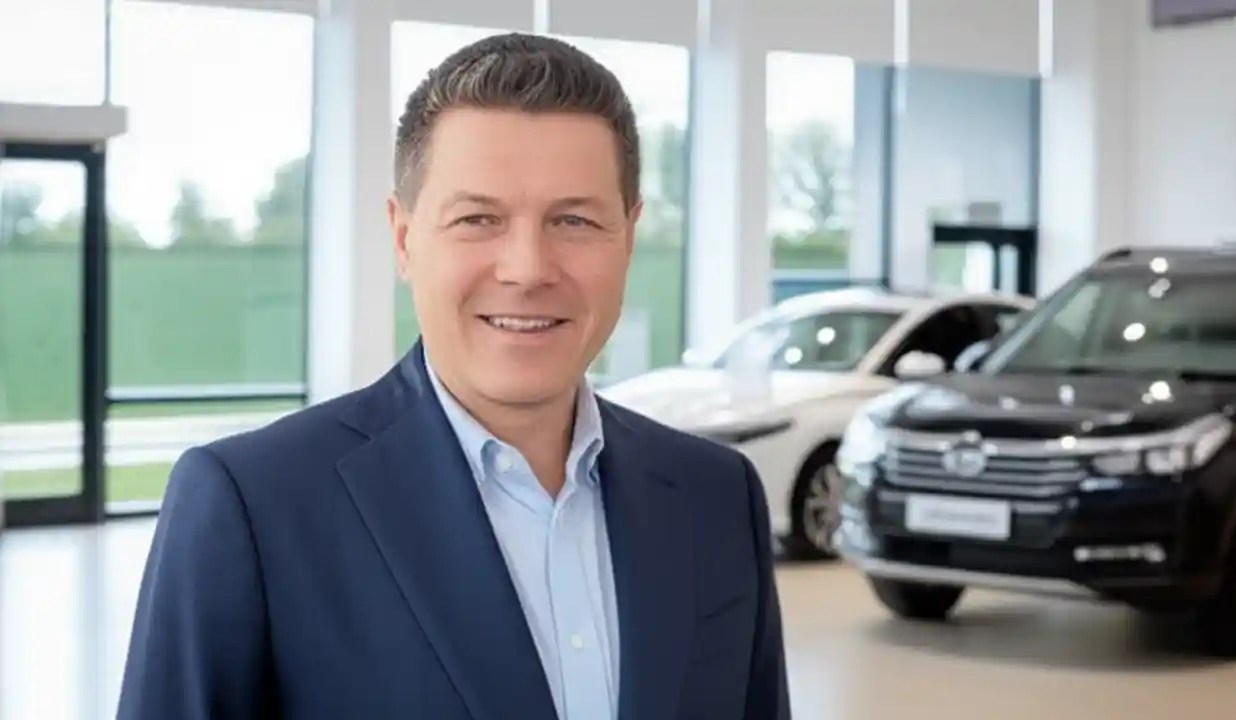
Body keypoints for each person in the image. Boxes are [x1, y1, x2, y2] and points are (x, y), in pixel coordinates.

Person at [117, 32, 790, 720]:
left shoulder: (716, 498)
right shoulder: (254, 506)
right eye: (477, 219)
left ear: (629, 236)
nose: (528, 269)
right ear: (403, 238)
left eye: (574, 220)